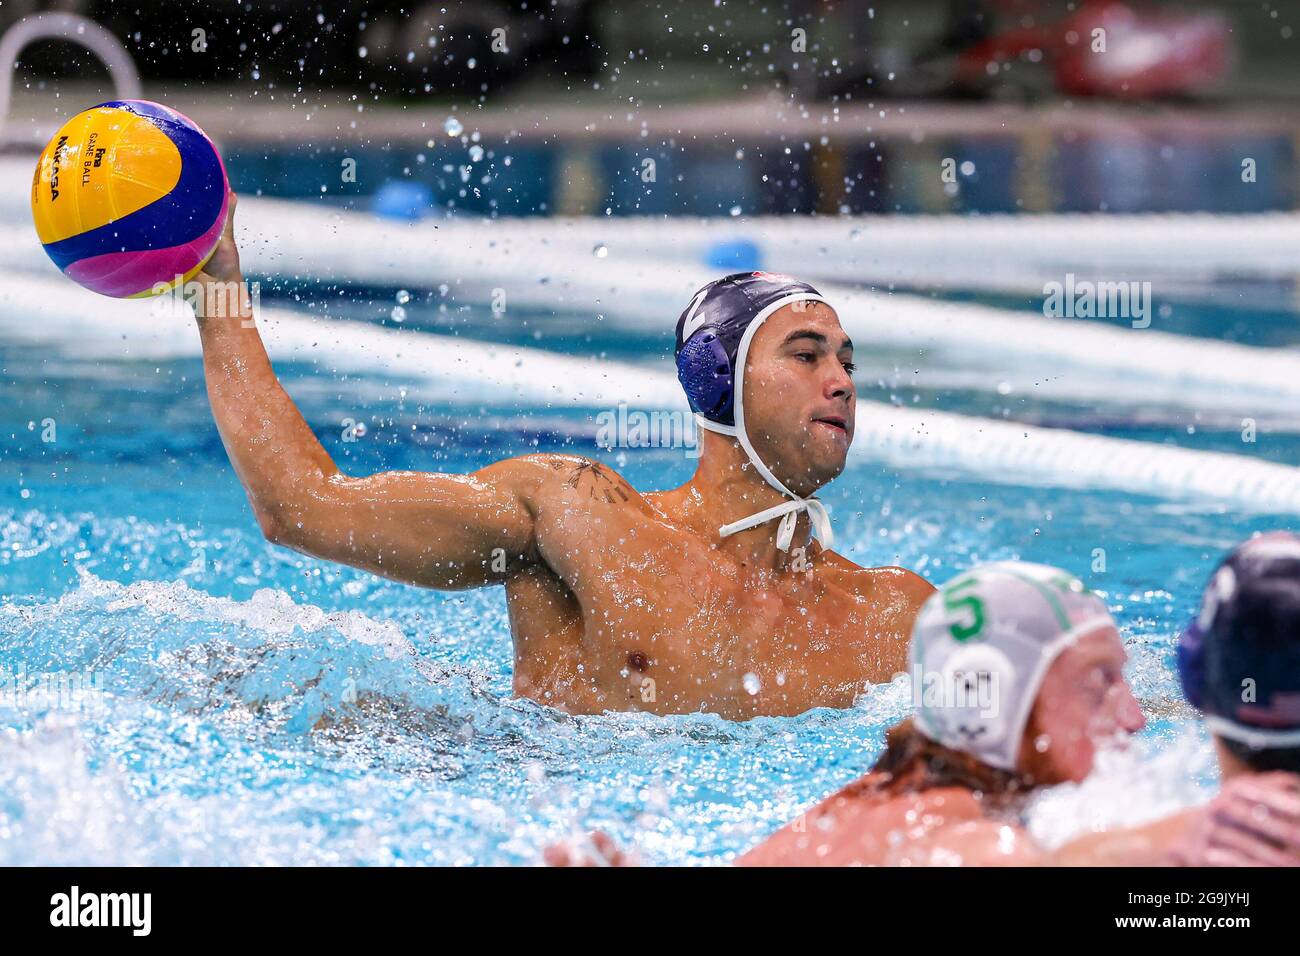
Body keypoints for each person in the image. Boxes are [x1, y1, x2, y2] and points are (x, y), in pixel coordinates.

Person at [190, 195, 933, 719]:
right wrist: (219, 296)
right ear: (717, 381)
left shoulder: (896, 617)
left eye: (847, 362)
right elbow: (305, 508)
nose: (840, 381)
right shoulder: (583, 515)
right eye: (805, 355)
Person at [736, 560, 1300, 866]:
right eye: (1100, 681)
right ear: (994, 697)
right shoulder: (979, 851)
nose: (1133, 716)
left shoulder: (858, 812)